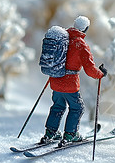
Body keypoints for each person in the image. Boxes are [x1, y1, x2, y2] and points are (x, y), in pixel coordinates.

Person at [41, 16, 107, 147]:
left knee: (58, 106)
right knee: (77, 107)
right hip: (70, 84)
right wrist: (100, 74)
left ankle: (50, 133)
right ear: (85, 29)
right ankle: (71, 134)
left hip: (55, 80)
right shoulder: (80, 45)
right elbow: (89, 69)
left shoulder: (62, 38)